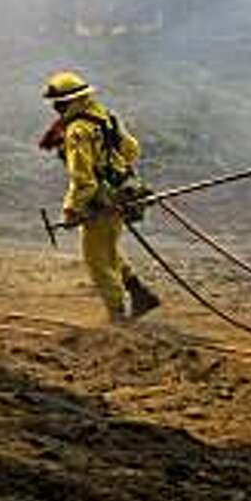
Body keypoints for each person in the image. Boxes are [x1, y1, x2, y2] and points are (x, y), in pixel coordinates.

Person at [38, 70, 162, 324]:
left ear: (71, 101)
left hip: (100, 200)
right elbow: (131, 149)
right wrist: (116, 174)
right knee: (108, 248)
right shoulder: (104, 116)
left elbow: (83, 179)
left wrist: (72, 209)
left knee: (96, 260)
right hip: (121, 193)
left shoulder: (77, 131)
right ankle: (139, 293)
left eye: (59, 104)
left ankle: (117, 314)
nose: (56, 109)